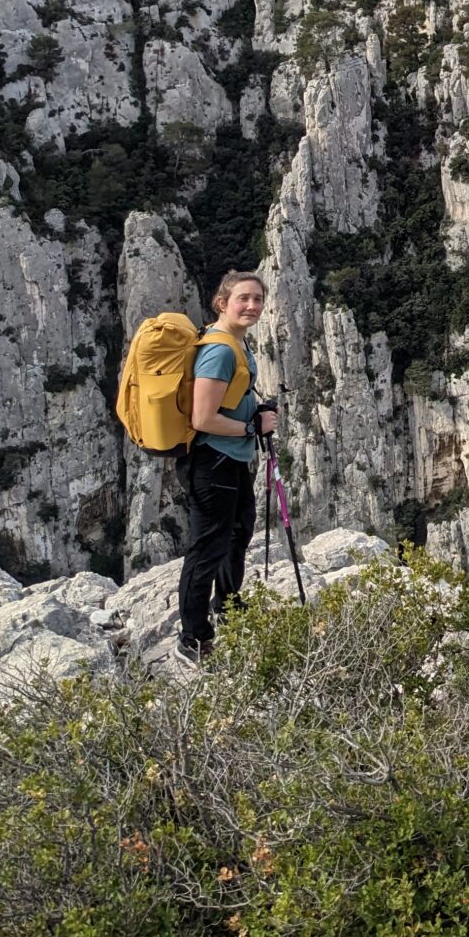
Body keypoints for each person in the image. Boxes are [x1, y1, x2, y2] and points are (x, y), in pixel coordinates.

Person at [177, 270, 278, 664]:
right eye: (243, 299)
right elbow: (203, 417)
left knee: (238, 533)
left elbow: (231, 399)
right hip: (212, 463)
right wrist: (251, 426)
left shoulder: (237, 344)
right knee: (207, 549)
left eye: (258, 299)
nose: (252, 306)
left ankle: (229, 605)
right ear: (223, 303)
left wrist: (258, 410)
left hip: (233, 459)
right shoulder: (220, 350)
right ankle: (193, 637)